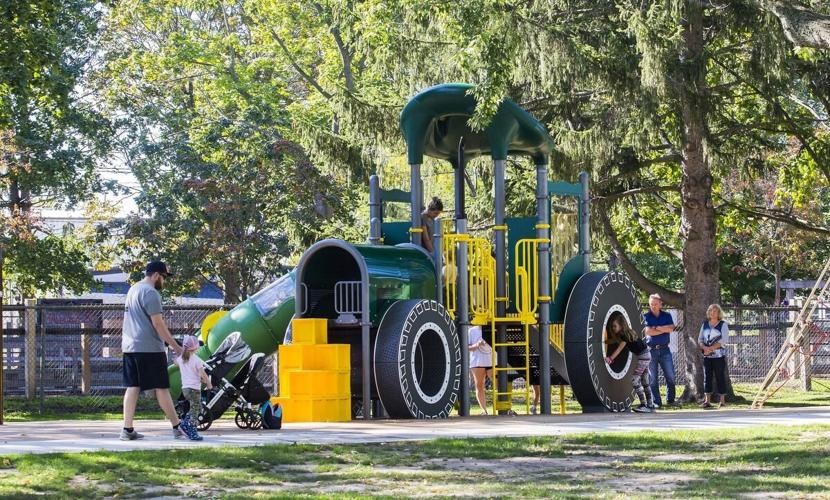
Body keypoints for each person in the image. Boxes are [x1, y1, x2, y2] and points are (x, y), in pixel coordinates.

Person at [120, 261, 185, 441]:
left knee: (133, 387)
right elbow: (158, 324)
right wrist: (176, 347)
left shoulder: (134, 289)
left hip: (130, 346)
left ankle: (127, 429)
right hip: (149, 348)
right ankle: (177, 427)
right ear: (156, 275)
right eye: (164, 277)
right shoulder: (151, 293)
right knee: (161, 388)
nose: (164, 281)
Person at [605, 312, 654, 412]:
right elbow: (615, 341)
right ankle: (650, 405)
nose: (613, 328)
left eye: (615, 326)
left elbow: (619, 349)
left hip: (643, 357)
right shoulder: (628, 333)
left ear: (621, 326)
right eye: (612, 326)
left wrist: (610, 359)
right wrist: (605, 341)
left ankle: (644, 405)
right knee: (645, 381)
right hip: (647, 355)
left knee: (634, 380)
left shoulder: (624, 336)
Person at [173, 335, 212, 440]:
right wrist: (209, 384)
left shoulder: (181, 359)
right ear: (195, 347)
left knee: (196, 407)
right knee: (195, 410)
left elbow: (175, 362)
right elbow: (203, 374)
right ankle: (189, 428)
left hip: (185, 389)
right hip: (194, 389)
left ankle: (186, 424)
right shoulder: (196, 360)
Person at [644, 293, 677, 407]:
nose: (653, 306)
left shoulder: (667, 315)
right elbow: (648, 332)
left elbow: (672, 328)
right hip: (651, 350)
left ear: (660, 304)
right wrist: (664, 329)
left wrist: (657, 328)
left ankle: (671, 400)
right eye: (651, 304)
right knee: (652, 379)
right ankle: (656, 402)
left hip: (665, 350)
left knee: (671, 376)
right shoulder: (646, 316)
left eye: (655, 304)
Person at [699, 304, 729, 408]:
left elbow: (724, 340)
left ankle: (722, 401)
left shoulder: (723, 324)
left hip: (719, 356)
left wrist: (711, 349)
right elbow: (700, 339)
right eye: (711, 311)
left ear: (719, 313)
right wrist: (704, 348)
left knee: (720, 377)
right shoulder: (705, 325)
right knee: (707, 377)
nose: (713, 313)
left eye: (715, 311)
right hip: (707, 356)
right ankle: (707, 401)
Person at [468, 325, 493, 415]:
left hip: (492, 360)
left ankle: (504, 407)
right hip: (477, 362)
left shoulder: (493, 327)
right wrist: (478, 344)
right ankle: (484, 410)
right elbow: (467, 347)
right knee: (479, 385)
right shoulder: (472, 331)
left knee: (498, 382)